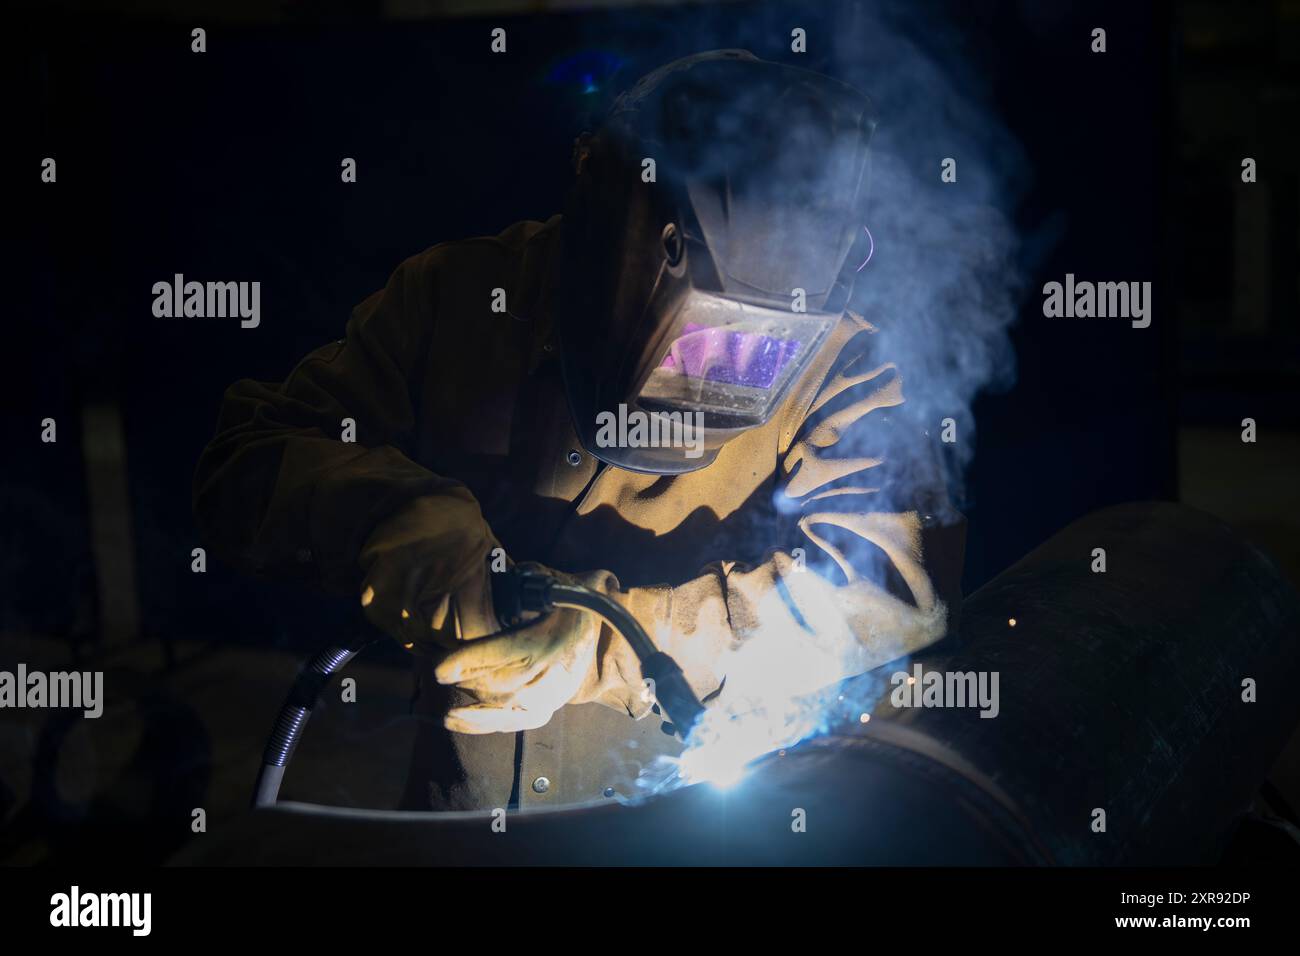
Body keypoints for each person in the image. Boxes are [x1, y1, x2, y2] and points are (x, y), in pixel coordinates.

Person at [194, 50, 963, 811]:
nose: (711, 368)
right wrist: (393, 517)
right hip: (467, 832)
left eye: (751, 345)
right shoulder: (456, 300)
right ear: (616, 215)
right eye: (697, 337)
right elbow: (247, 457)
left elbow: (884, 593)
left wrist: (616, 642)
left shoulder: (844, 363)